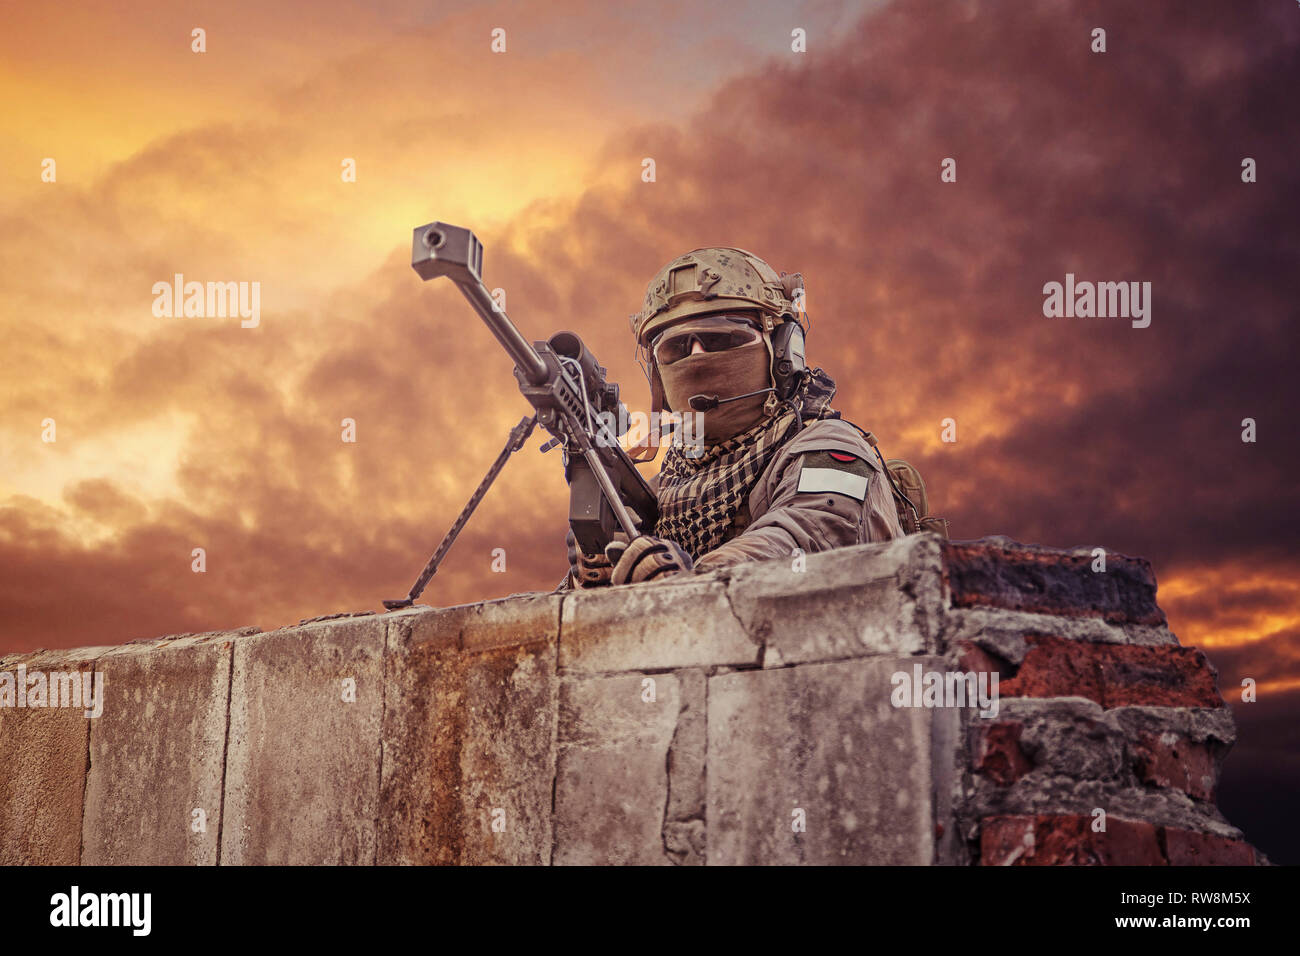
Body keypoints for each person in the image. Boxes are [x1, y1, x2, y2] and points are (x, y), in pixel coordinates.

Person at [567, 246, 903, 587]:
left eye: (720, 338)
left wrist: (690, 581)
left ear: (784, 352)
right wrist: (593, 575)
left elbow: (807, 538)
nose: (696, 357)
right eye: (677, 348)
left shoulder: (830, 449)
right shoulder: (658, 490)